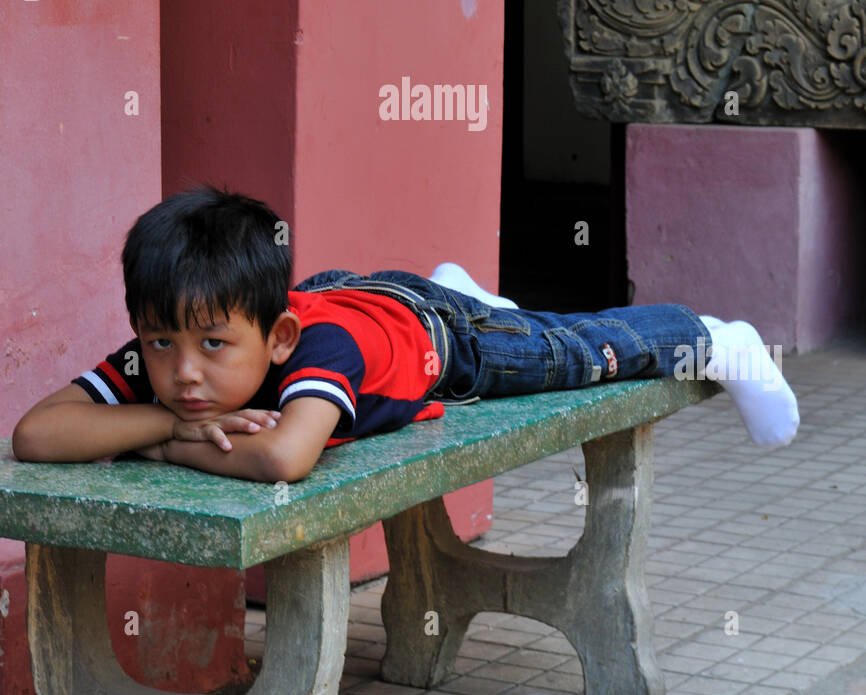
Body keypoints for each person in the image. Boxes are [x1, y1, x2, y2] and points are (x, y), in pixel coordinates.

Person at [12, 187, 800, 482]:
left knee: (573, 349)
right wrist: (173, 420)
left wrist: (152, 441)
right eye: (158, 344)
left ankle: (714, 334)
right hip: (344, 296)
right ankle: (465, 287)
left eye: (212, 348)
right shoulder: (186, 337)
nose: (183, 372)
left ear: (276, 339)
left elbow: (286, 457)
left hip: (436, 339)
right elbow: (36, 434)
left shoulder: (319, 353)